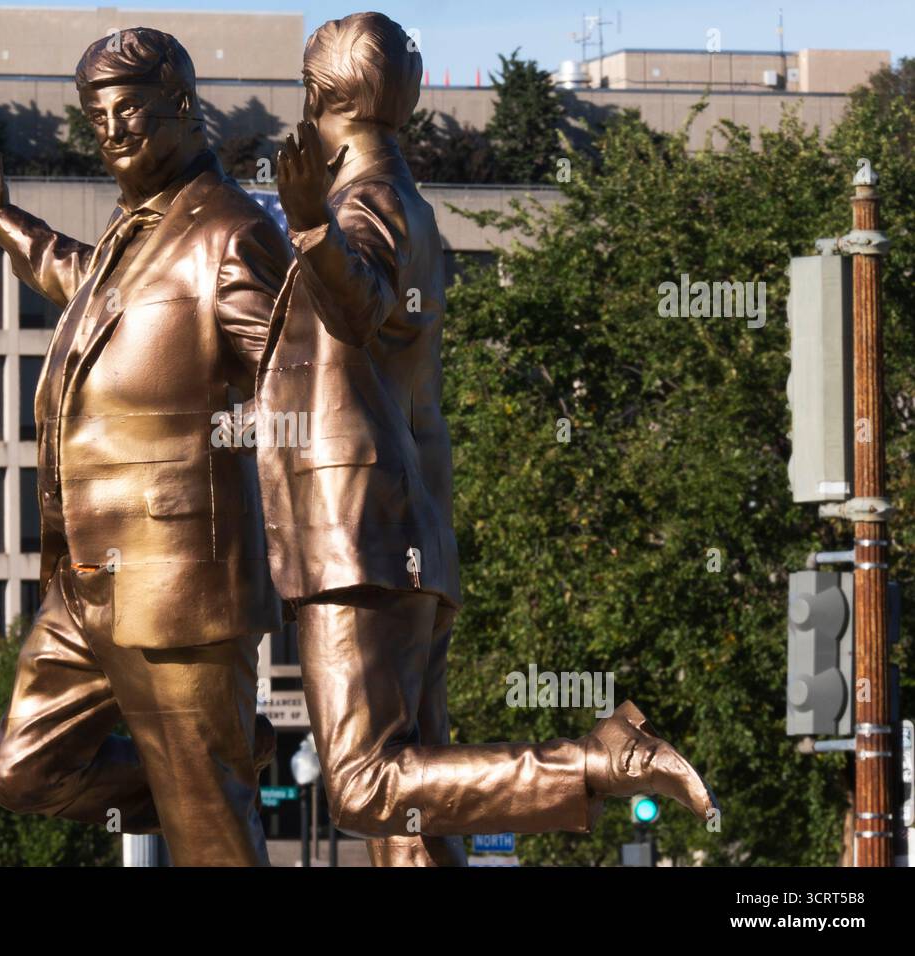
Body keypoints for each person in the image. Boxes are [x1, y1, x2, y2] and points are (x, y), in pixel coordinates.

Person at [257, 11, 718, 866]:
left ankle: (597, 760)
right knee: (415, 818)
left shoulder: (366, 207)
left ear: (317, 97)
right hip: (405, 537)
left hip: (355, 539)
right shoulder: (407, 204)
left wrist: (308, 225)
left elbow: (356, 308)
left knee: (364, 785)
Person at [0, 27, 290, 866]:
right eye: (96, 116)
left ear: (182, 108)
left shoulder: (232, 234)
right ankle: (215, 769)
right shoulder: (134, 232)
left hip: (178, 576)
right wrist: (7, 224)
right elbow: (88, 288)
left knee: (209, 836)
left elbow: (304, 380)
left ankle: (209, 782)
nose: (109, 131)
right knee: (22, 771)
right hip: (86, 579)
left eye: (129, 112)